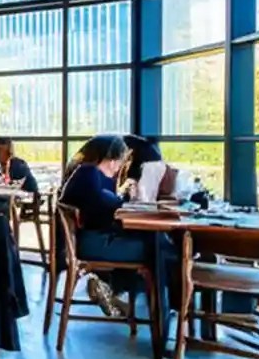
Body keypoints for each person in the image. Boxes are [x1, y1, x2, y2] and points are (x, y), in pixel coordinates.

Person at [59, 134, 176, 318]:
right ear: (114, 159)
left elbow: (105, 203)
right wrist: (125, 200)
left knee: (158, 244)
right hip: (93, 243)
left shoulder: (91, 174)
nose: (122, 165)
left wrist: (123, 199)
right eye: (122, 160)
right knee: (160, 248)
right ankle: (164, 311)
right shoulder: (88, 173)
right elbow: (102, 201)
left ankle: (115, 289)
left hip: (92, 240)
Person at [0, 137, 39, 216]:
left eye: (0, 151)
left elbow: (17, 186)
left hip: (24, 200)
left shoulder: (18, 165)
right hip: (7, 197)